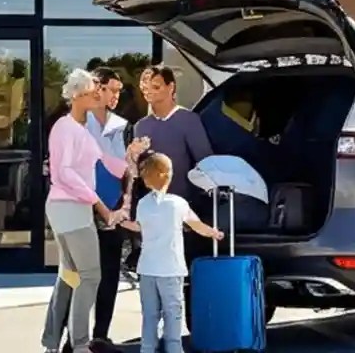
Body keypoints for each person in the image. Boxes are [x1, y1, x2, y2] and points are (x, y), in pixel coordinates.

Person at [41, 69, 148, 353]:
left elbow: (104, 161)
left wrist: (132, 160)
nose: (97, 96)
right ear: (78, 96)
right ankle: (79, 345)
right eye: (92, 92)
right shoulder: (65, 127)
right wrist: (98, 204)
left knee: (71, 276)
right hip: (70, 209)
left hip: (73, 208)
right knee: (90, 276)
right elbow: (63, 173)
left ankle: (53, 343)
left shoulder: (79, 128)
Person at [120, 152, 223, 353]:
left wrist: (121, 222)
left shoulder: (143, 204)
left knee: (150, 315)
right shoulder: (178, 204)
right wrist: (214, 233)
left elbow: (139, 227)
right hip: (171, 268)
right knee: (172, 314)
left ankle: (147, 349)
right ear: (166, 174)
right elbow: (196, 225)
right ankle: (174, 349)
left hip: (147, 268)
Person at [134, 65, 214, 201]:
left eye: (156, 87)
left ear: (170, 87)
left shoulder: (188, 120)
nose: (149, 92)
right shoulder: (141, 126)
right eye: (145, 88)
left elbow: (205, 162)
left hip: (185, 203)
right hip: (151, 204)